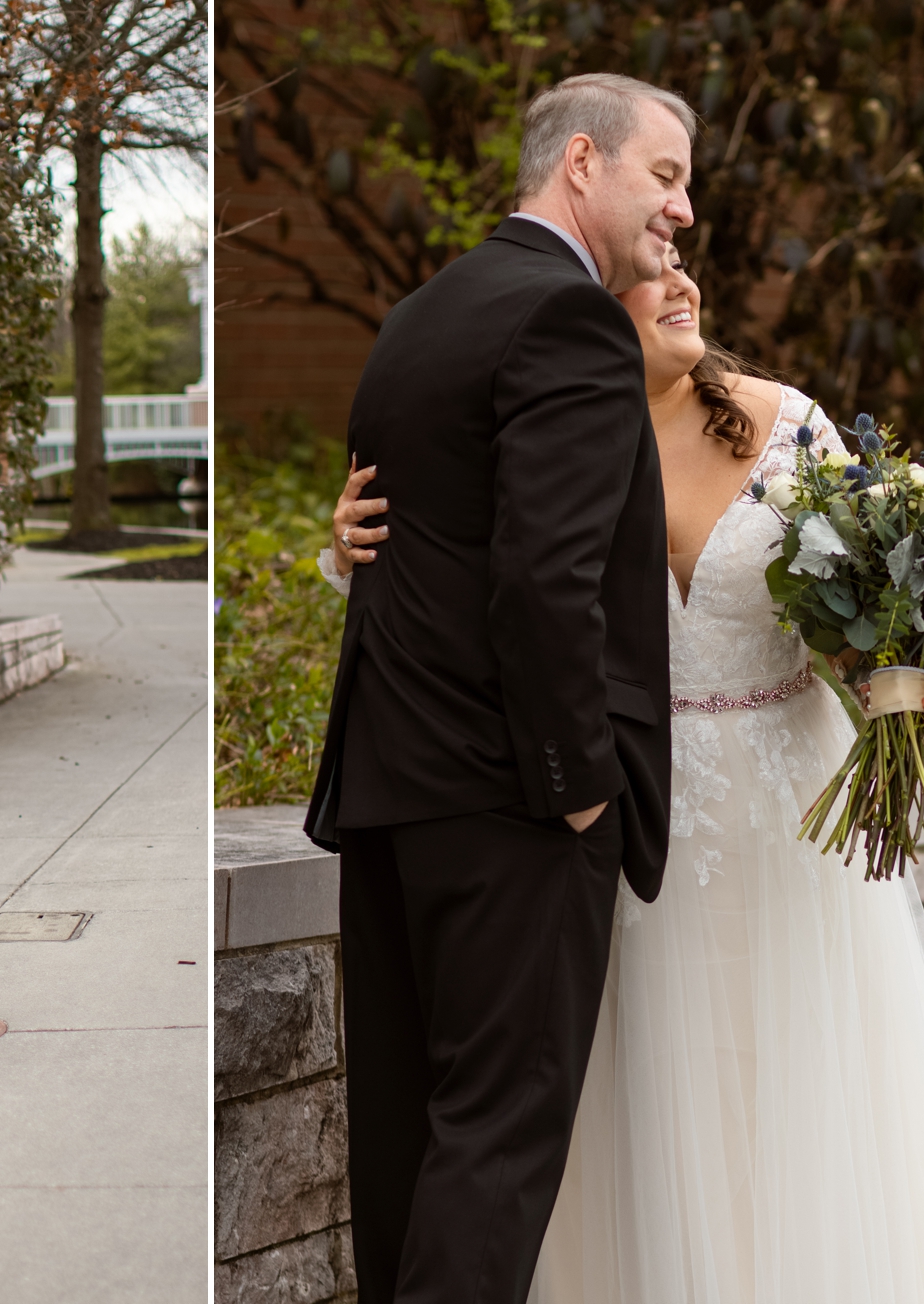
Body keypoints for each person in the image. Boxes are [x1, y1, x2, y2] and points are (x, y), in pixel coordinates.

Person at [324, 243, 924, 1300]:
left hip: (788, 799)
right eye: (647, 273)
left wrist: (910, 651)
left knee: (801, 1080)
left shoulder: (787, 424)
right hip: (629, 804)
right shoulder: (552, 431)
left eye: (685, 267)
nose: (681, 284)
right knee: (637, 1092)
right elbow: (482, 588)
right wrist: (343, 548)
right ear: (584, 312)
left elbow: (863, 604)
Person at [305, 72, 687, 1304]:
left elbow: (400, 542)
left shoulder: (420, 314)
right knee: (496, 1140)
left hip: (393, 789)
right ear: (582, 161)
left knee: (408, 1136)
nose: (679, 211)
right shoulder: (569, 320)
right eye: (665, 176)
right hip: (516, 802)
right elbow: (543, 580)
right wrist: (581, 788)